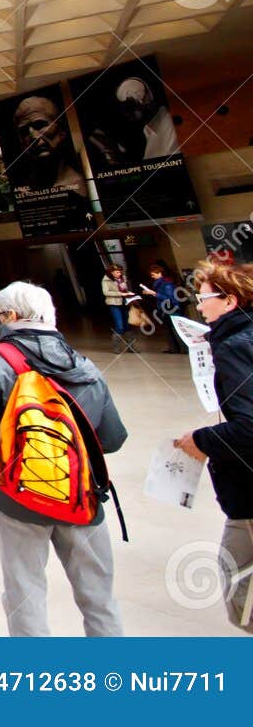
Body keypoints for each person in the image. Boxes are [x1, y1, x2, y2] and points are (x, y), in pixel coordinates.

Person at [0, 281, 127, 637]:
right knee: (99, 596)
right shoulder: (85, 366)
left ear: (11, 316)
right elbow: (112, 438)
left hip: (18, 495)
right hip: (81, 494)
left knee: (24, 592)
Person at [172, 258, 253, 633]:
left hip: (249, 496)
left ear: (231, 301)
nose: (199, 307)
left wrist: (202, 440)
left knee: (241, 589)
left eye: (204, 299)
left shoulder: (234, 347)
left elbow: (249, 428)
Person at [10, 95, 86, 192]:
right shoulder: (23, 189)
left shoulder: (81, 183)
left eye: (40, 125)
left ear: (61, 128)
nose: (34, 137)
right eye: (24, 131)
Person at [138, 261, 186, 353]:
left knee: (174, 329)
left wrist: (154, 294)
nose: (152, 277)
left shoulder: (167, 284)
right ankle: (175, 348)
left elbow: (169, 298)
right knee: (170, 329)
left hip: (171, 309)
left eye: (153, 275)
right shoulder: (161, 283)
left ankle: (181, 348)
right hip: (165, 309)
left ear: (159, 273)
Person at [101, 263, 136, 353]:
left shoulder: (123, 278)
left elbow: (125, 289)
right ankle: (116, 347)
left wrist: (129, 293)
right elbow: (106, 292)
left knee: (128, 325)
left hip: (124, 303)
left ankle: (131, 347)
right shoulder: (106, 280)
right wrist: (120, 294)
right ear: (111, 272)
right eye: (117, 272)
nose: (119, 274)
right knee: (119, 326)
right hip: (114, 304)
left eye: (120, 272)